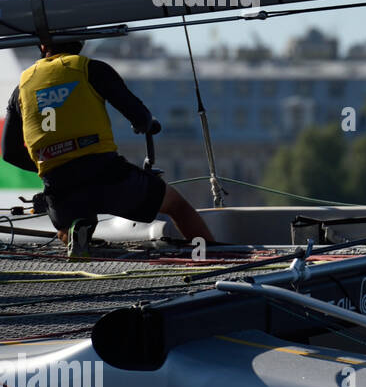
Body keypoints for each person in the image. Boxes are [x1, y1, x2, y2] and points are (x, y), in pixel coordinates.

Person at [2, 39, 215, 256]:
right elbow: (141, 118)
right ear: (80, 43)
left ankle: (75, 234)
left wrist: (48, 164)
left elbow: (9, 153)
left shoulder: (22, 87)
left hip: (58, 185)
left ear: (43, 46)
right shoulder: (90, 69)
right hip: (105, 173)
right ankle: (209, 255)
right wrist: (148, 125)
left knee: (68, 225)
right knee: (176, 205)